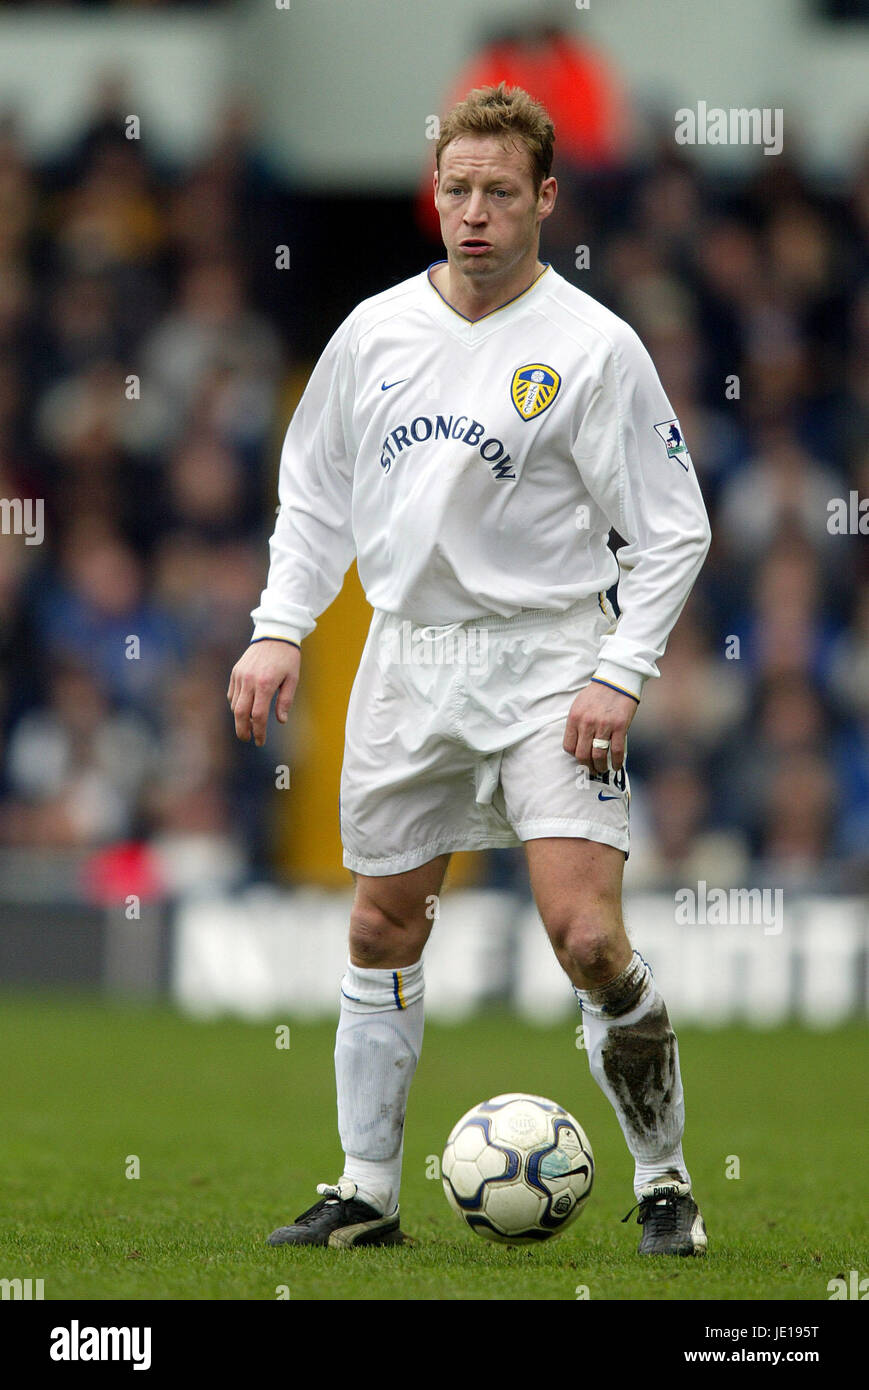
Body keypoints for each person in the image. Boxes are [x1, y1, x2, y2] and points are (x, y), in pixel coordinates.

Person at [228, 84, 711, 1257]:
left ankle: (663, 1180)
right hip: (408, 659)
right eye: (457, 190)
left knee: (585, 939)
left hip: (550, 659)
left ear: (544, 198)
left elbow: (673, 527)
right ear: (431, 195)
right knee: (383, 924)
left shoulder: (593, 349)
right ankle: (365, 1191)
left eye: (501, 191)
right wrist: (279, 623)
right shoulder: (374, 333)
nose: (476, 213)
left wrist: (619, 671)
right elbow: (314, 495)